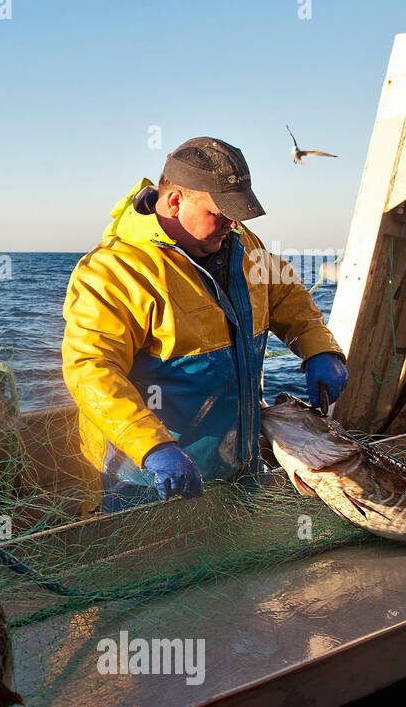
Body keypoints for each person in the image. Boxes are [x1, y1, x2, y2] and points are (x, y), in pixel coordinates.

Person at [61, 136, 348, 512]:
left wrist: (319, 348)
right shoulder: (111, 271)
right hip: (151, 477)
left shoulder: (243, 243)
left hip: (239, 470)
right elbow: (90, 369)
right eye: (221, 212)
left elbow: (284, 294)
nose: (232, 223)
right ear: (175, 200)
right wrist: (153, 446)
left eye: (237, 214)